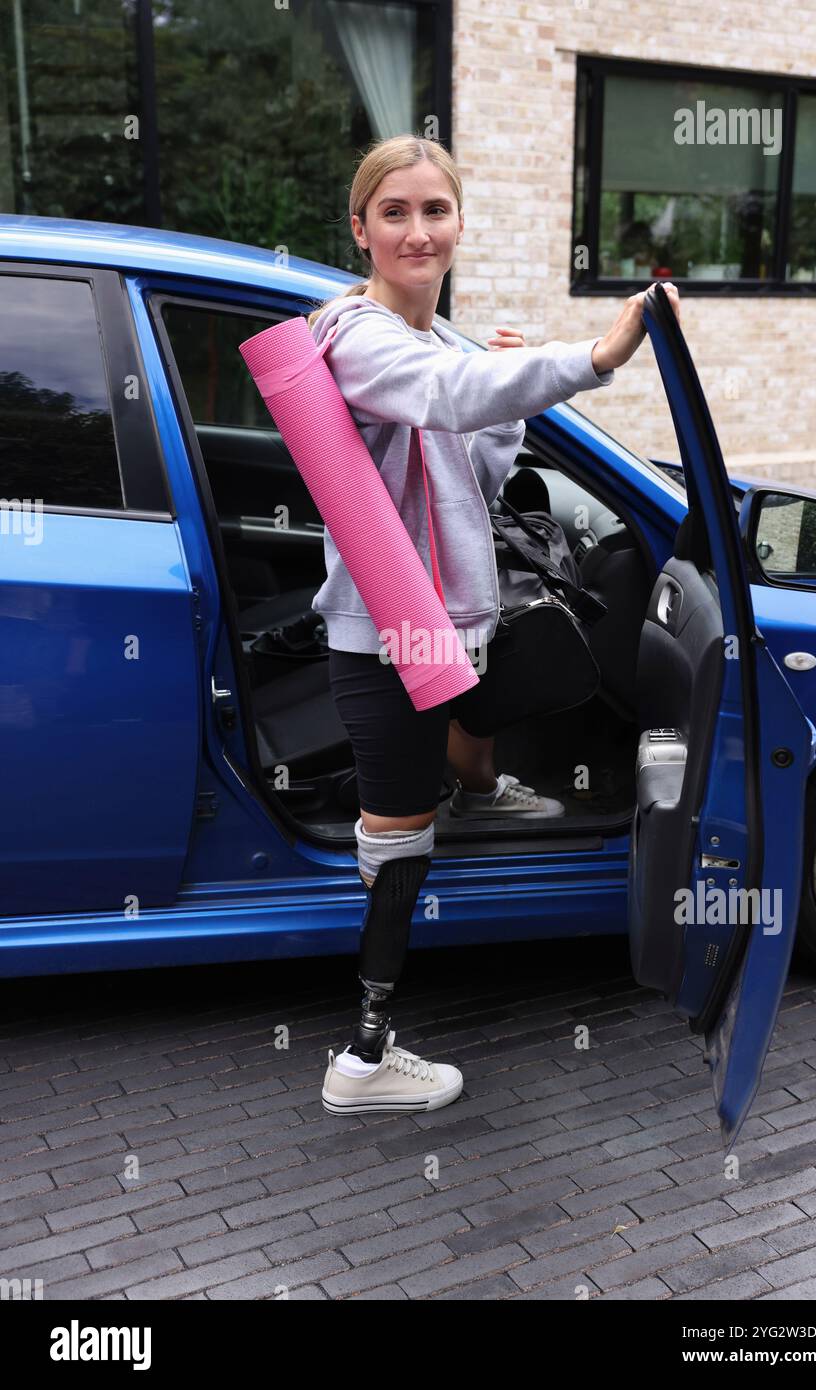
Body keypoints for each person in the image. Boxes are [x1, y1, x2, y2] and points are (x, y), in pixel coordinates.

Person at [314, 134, 681, 1116]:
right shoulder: (357, 337)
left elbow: (468, 476)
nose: (418, 229)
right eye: (394, 212)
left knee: (501, 690)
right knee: (397, 837)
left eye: (436, 210)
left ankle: (476, 785)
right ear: (362, 228)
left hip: (441, 618)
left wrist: (509, 404)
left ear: (459, 223)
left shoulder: (446, 343)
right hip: (388, 633)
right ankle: (362, 1057)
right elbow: (444, 399)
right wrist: (595, 357)